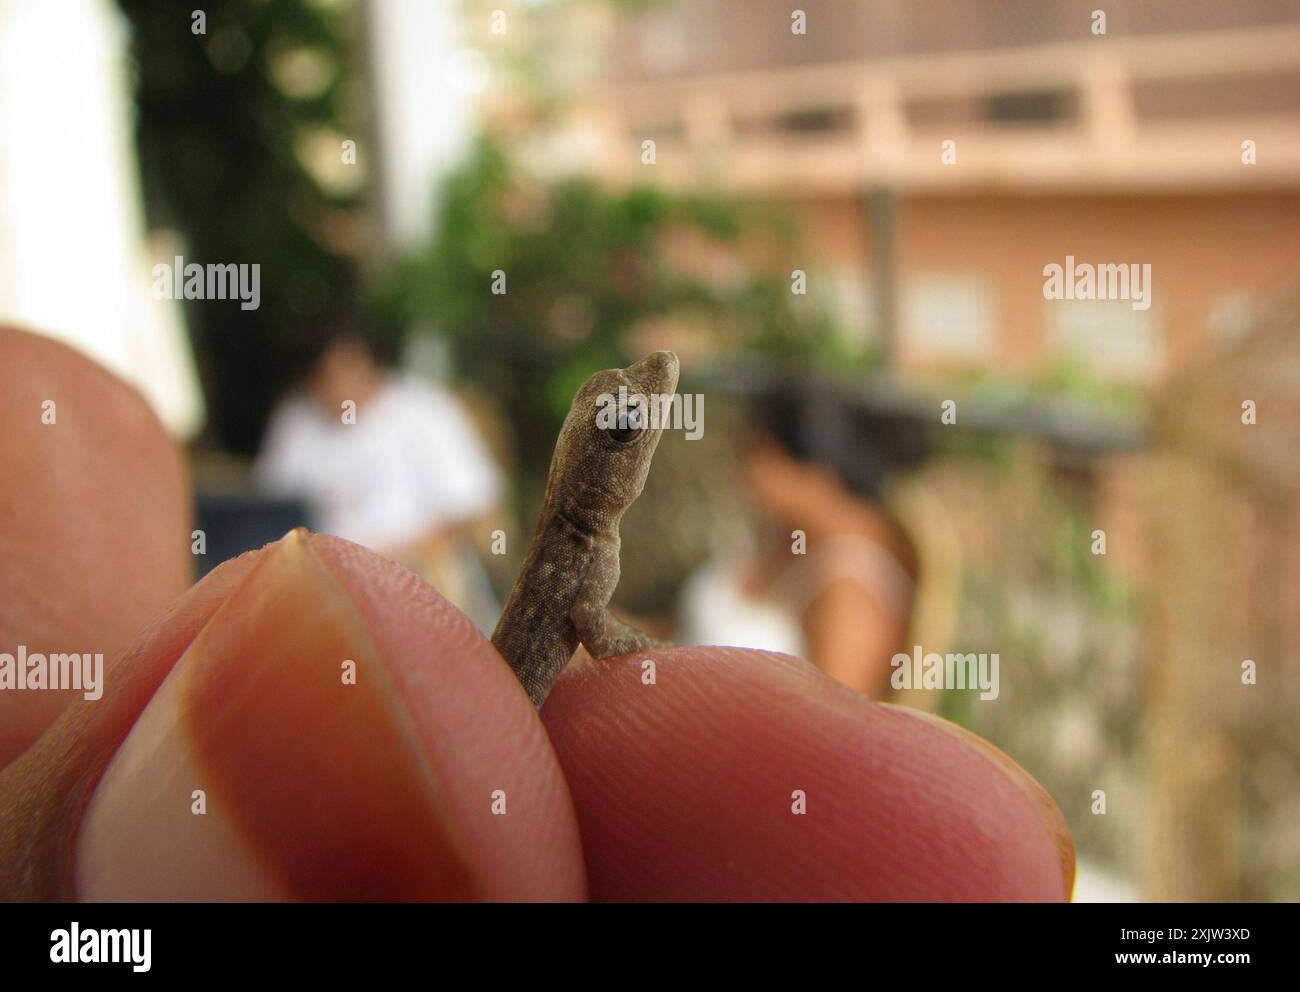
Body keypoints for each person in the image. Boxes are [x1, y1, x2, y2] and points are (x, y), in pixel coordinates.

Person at [0, 328, 1074, 901]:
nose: (646, 420)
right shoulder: (583, 552)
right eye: (619, 421)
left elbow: (605, 642)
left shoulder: (594, 548)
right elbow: (603, 641)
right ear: (594, 471)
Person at [254, 323, 502, 631]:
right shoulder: (295, 422)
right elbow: (271, 511)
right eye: (325, 375)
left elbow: (468, 508)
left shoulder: (424, 411)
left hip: (417, 583)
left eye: (346, 370)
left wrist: (384, 558)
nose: (338, 385)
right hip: (321, 589)